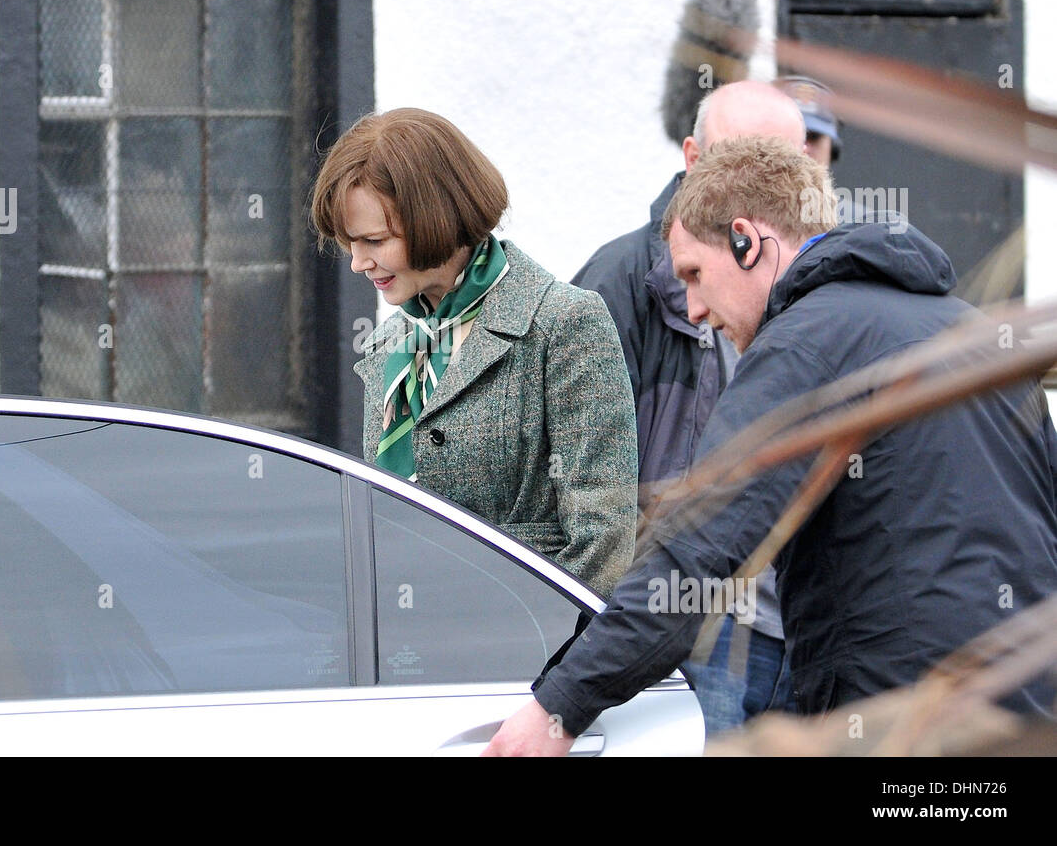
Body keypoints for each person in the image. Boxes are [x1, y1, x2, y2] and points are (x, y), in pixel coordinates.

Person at [484, 135, 1057, 755]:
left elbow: (695, 559)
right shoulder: (972, 333)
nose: (694, 310)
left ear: (746, 241)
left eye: (694, 276)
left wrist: (559, 705)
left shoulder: (804, 344)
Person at [309, 108, 638, 597]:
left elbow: (602, 542)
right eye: (349, 244)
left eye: (373, 241)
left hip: (521, 655)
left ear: (435, 219)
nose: (357, 263)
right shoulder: (389, 348)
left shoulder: (565, 323)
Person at [572, 80, 806, 732]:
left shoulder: (821, 292)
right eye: (740, 163)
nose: (763, 192)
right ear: (693, 160)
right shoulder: (617, 285)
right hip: (689, 642)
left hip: (809, 636)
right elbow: (575, 485)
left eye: (783, 168)